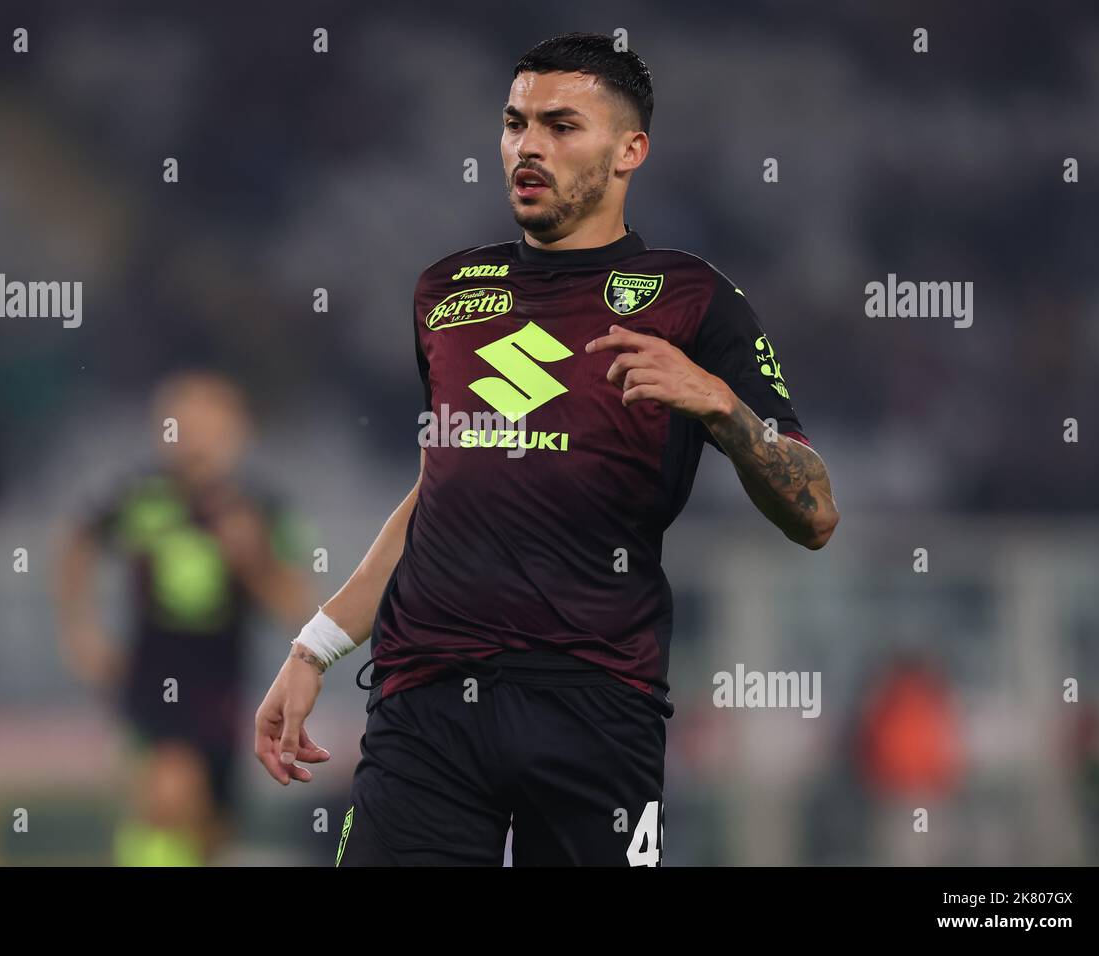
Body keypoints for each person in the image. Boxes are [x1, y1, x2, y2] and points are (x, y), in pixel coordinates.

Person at [254, 32, 839, 866]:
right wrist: (314, 647)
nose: (528, 146)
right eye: (515, 122)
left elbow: (815, 511)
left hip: (596, 705)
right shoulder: (446, 291)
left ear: (629, 150)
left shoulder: (691, 299)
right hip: (425, 704)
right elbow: (441, 491)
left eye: (562, 125)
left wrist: (718, 402)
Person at [56, 371, 313, 865]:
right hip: (152, 678)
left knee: (210, 825)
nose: (193, 440)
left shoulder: (262, 509)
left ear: (237, 434)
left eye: (208, 426)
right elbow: (75, 543)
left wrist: (253, 559)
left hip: (224, 685)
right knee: (169, 795)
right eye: (181, 425)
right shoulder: (140, 497)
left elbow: (297, 607)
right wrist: (80, 631)